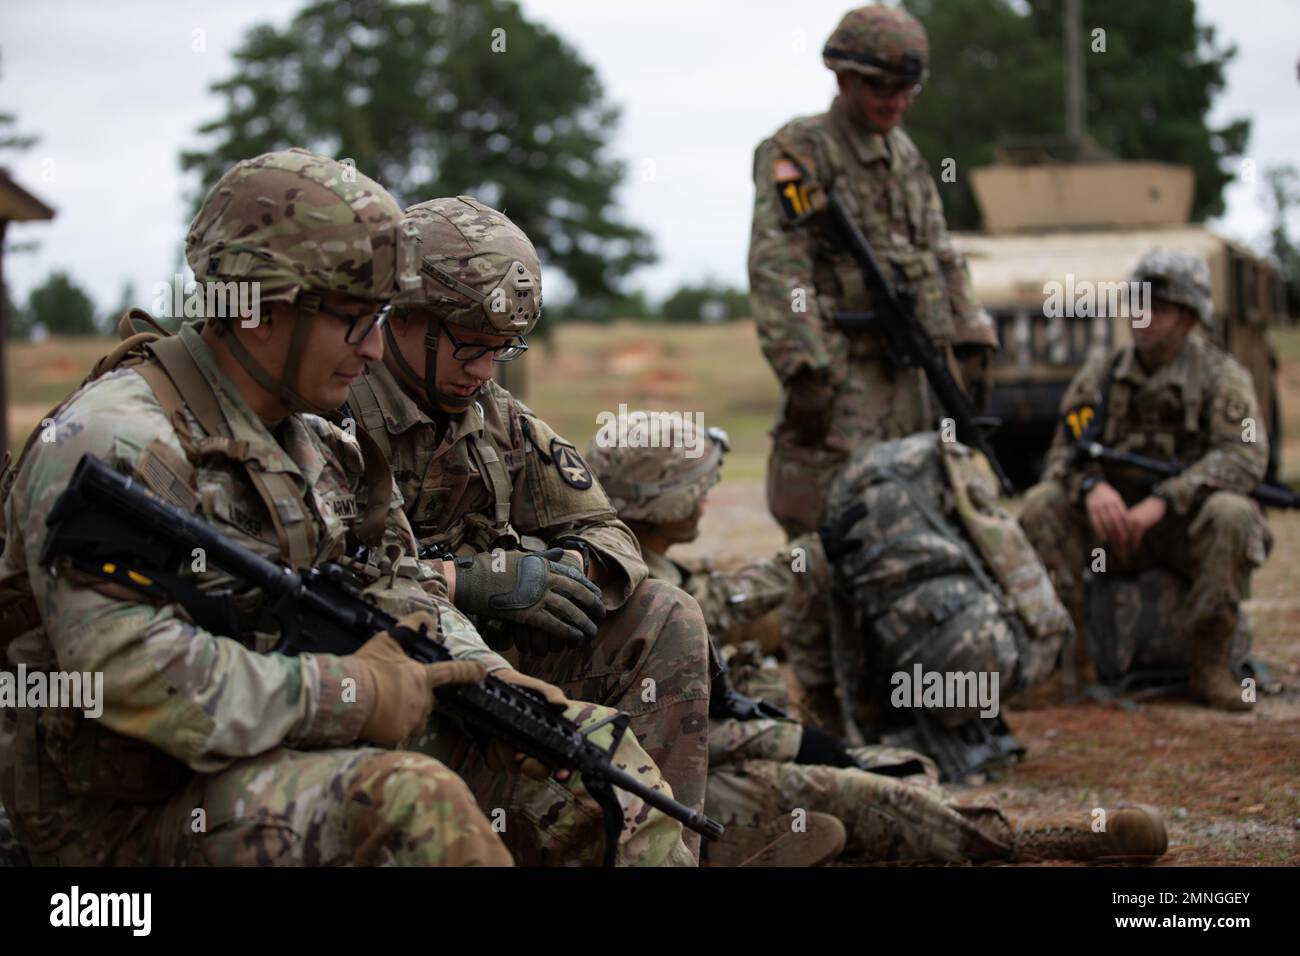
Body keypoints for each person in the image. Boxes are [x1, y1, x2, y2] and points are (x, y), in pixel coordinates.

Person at [0, 149, 686, 867]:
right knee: (411, 803)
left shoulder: (318, 442)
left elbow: (398, 583)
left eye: (382, 317)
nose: (373, 348)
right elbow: (130, 676)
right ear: (262, 308)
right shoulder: (116, 442)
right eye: (355, 320)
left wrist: (489, 681)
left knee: (595, 768)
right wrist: (352, 693)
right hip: (125, 817)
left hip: (286, 748)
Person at [586, 416, 1169, 865]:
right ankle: (1030, 840)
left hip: (708, 760)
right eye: (695, 486)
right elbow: (673, 713)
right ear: (661, 501)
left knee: (899, 767)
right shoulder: (630, 587)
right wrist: (794, 740)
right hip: (675, 776)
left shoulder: (644, 562)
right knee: (878, 797)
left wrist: (812, 559)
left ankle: (784, 835)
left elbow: (726, 597)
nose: (706, 496)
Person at [346, 196, 712, 857]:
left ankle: (667, 846)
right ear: (405, 317)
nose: (485, 371)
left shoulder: (497, 415)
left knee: (665, 612)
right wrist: (471, 580)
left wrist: (567, 567)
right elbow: (327, 581)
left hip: (497, 663)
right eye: (469, 348)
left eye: (502, 350)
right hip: (384, 668)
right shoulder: (337, 409)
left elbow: (609, 530)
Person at [748, 5, 991, 732]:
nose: (896, 102)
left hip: (907, 380)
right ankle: (820, 705)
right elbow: (778, 264)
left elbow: (942, 252)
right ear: (843, 75)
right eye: (882, 87)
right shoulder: (799, 152)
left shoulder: (907, 156)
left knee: (907, 529)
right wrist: (810, 370)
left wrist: (970, 341)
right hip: (842, 381)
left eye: (907, 90)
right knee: (825, 537)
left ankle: (897, 698)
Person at [1018, 249, 1272, 712]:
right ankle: (1063, 666)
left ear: (1190, 318)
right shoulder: (1101, 375)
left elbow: (1246, 455)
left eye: (1159, 306)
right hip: (1110, 533)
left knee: (1233, 513)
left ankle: (1209, 665)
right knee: (1041, 504)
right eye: (1137, 300)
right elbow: (1062, 451)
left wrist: (1167, 498)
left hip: (1180, 532)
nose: (1142, 314)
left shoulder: (1223, 378)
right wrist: (1091, 487)